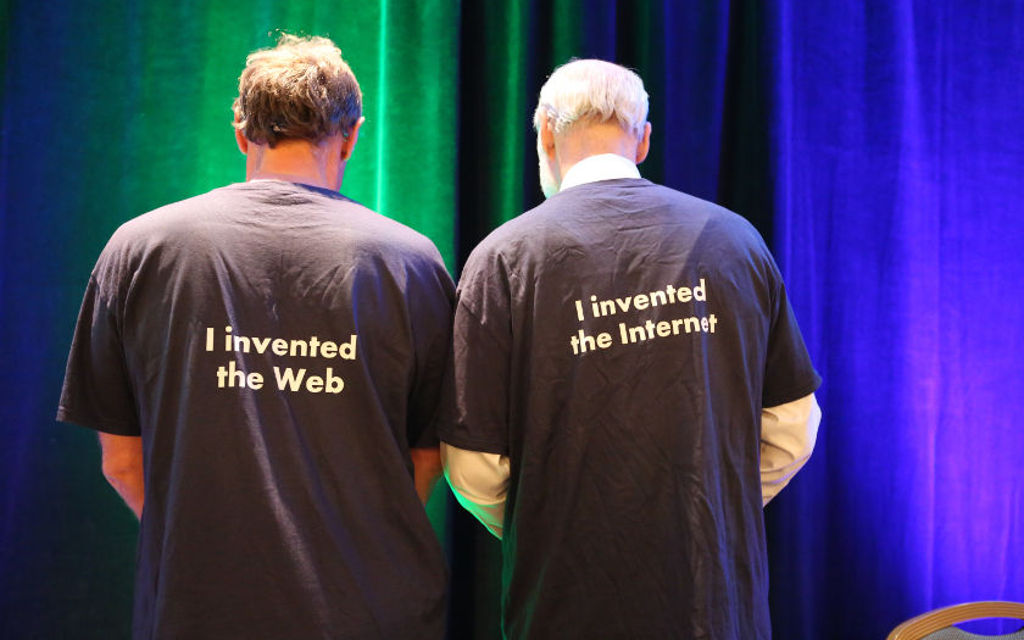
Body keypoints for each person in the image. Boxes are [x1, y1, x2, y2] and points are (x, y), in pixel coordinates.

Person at [57, 35, 453, 639]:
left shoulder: (138, 249)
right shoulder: (411, 263)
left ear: (241, 132)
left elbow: (122, 462)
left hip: (196, 610)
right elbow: (429, 457)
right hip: (371, 611)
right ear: (351, 136)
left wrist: (204, 548)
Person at [441, 59, 822, 639]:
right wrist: (710, 509)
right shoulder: (735, 240)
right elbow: (792, 428)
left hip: (563, 607)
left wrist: (545, 521)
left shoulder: (503, 259)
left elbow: (473, 464)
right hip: (714, 604)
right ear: (643, 139)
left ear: (545, 134)